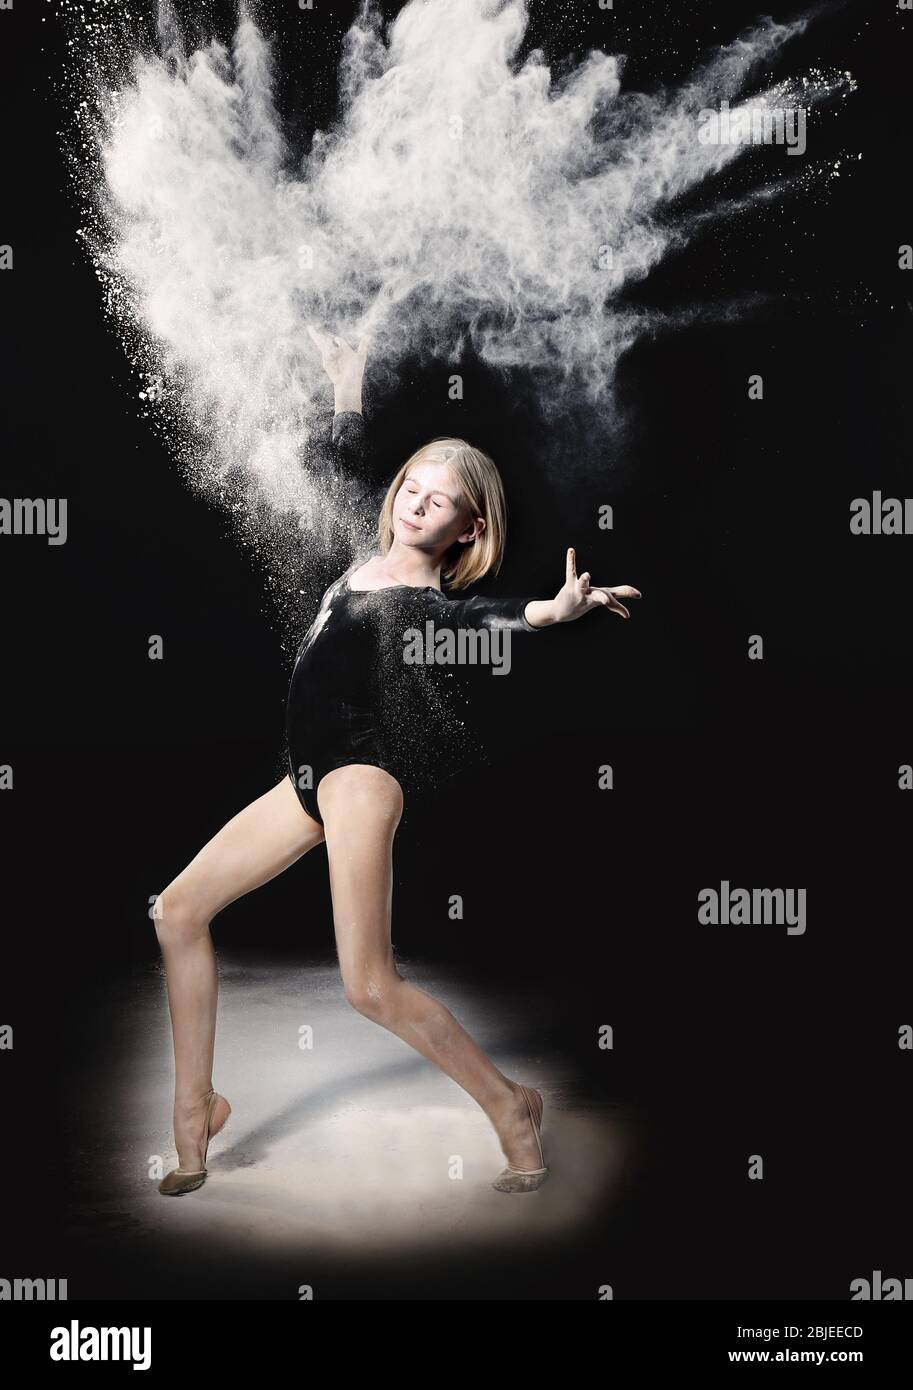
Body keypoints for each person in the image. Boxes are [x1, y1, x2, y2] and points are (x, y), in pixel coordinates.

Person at [153, 326, 641, 1196]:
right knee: (178, 912)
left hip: (358, 779)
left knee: (369, 987)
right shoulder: (358, 563)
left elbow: (485, 621)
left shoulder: (422, 603)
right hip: (303, 777)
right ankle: (197, 1110)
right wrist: (347, 384)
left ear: (468, 528)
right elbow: (343, 473)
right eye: (411, 488)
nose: (417, 504)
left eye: (441, 500)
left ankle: (509, 1105)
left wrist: (550, 614)